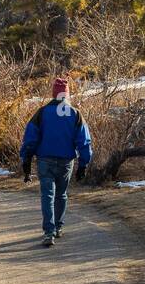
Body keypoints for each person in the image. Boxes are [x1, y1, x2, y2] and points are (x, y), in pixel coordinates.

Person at [19, 77, 93, 247]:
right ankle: (58, 227)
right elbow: (84, 141)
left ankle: (49, 232)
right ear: (67, 94)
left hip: (45, 159)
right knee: (61, 194)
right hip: (66, 161)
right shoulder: (75, 114)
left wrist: (27, 160)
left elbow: (30, 138)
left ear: (53, 93)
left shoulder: (42, 112)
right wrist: (83, 164)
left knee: (47, 195)